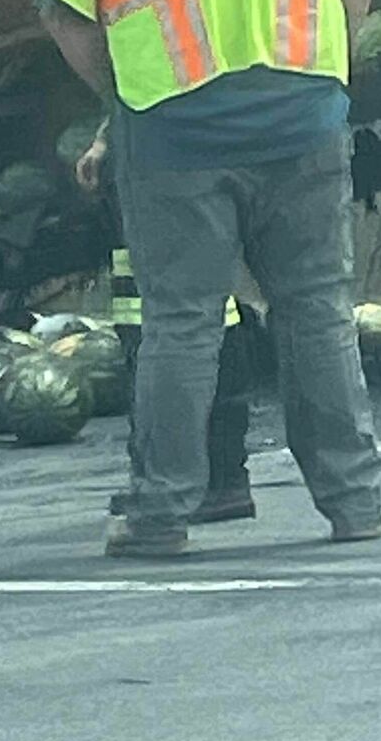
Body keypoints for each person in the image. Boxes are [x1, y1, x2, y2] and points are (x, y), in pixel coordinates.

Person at [24, 0, 381, 558]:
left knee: (183, 320)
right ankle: (353, 503)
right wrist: (325, 66)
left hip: (177, 130)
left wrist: (123, 98)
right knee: (318, 311)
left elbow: (59, 6)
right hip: (302, 115)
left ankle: (161, 514)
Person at [75, 114, 256, 523]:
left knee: (175, 335)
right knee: (179, 322)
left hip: (167, 152)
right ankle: (192, 477)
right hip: (164, 145)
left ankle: (205, 480)